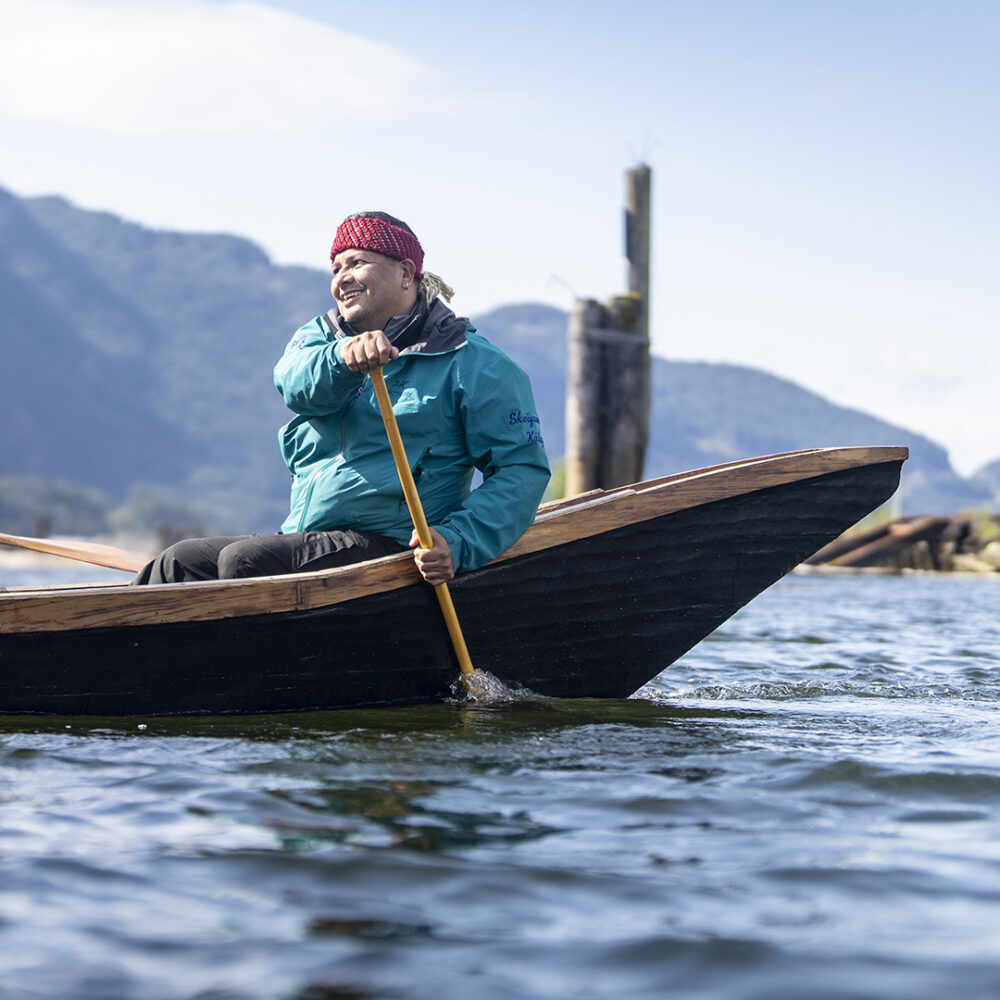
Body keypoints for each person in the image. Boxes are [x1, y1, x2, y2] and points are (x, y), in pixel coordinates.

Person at [134, 211, 550, 586]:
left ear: (406, 274)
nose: (341, 278)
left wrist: (457, 543)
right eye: (335, 268)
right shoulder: (319, 338)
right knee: (173, 564)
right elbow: (294, 384)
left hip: (393, 548)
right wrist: (341, 360)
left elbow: (521, 470)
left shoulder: (476, 363)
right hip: (307, 535)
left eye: (356, 262)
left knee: (245, 563)